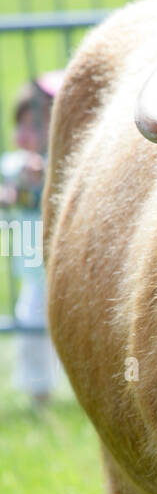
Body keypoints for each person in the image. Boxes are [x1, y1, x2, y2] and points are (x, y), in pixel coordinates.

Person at [0, 73, 63, 409]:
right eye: (21, 126)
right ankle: (39, 391)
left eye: (36, 127)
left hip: (61, 261)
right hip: (31, 262)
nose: (26, 135)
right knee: (32, 324)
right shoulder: (13, 166)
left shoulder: (59, 163)